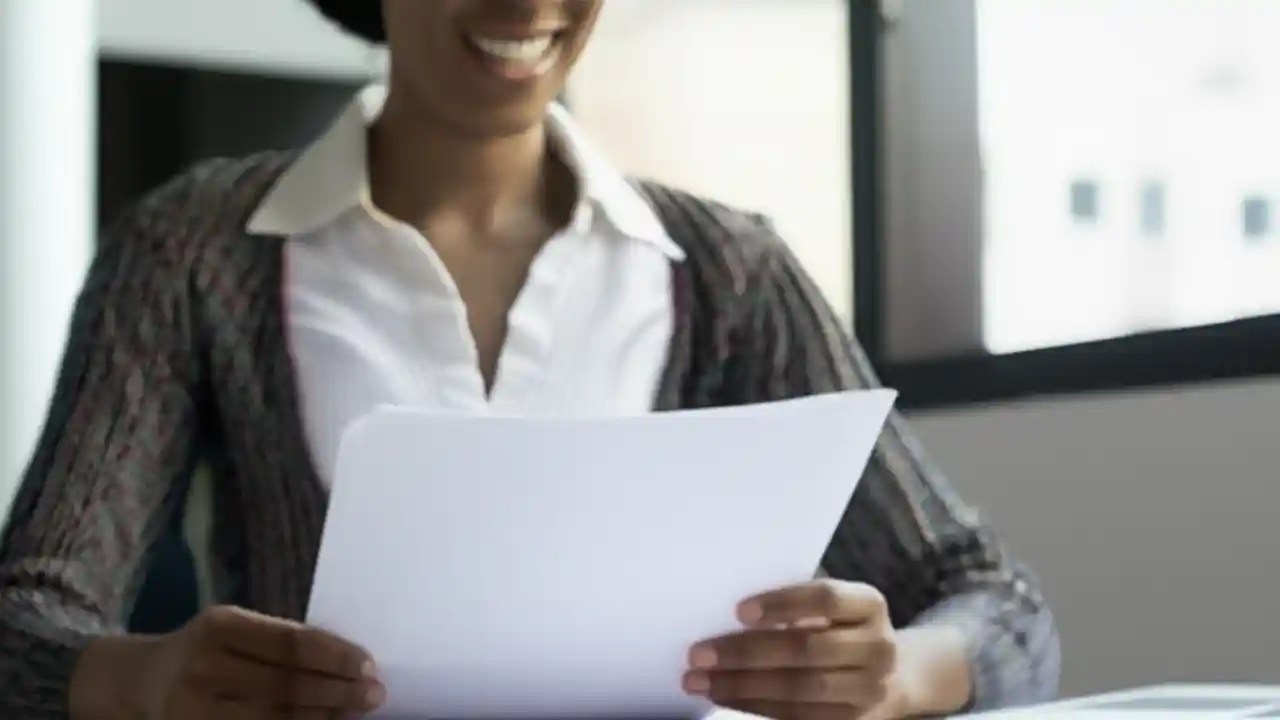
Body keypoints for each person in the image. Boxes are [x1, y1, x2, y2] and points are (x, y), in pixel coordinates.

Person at [0, 1, 1060, 718]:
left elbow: (998, 603)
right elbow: (24, 619)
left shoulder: (729, 269)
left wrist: (895, 673)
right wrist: (142, 679)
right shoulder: (191, 249)